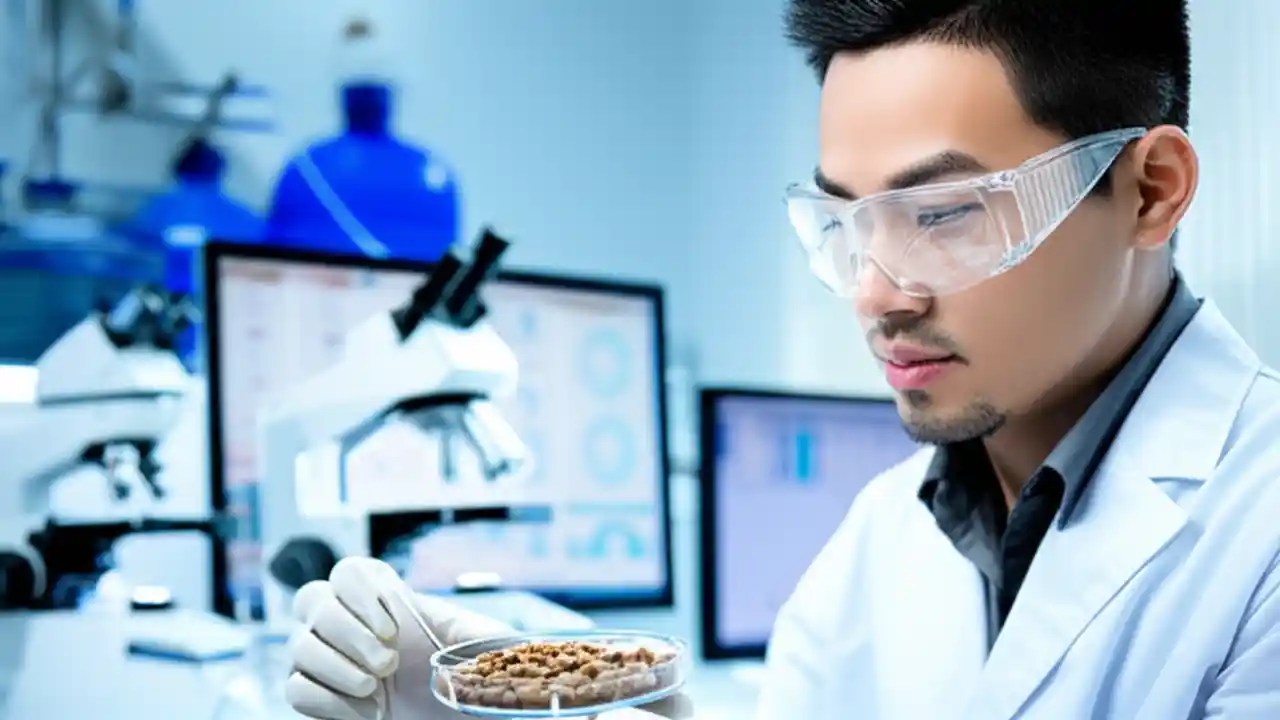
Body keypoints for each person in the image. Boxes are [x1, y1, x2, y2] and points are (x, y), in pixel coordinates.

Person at [285, 1, 1280, 718]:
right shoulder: (885, 530)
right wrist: (503, 697)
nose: (876, 294)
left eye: (942, 215)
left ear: (1149, 190)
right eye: (846, 223)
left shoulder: (1259, 528)